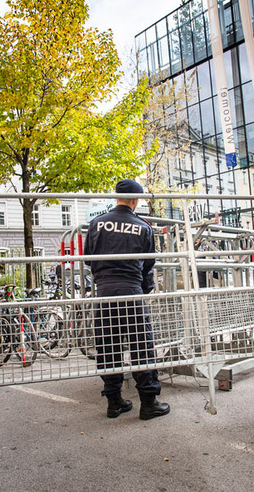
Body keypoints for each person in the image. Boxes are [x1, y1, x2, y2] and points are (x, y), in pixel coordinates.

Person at [84, 178, 170, 420]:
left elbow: (89, 259)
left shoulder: (96, 223)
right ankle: (149, 402)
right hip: (132, 291)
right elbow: (148, 266)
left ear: (117, 198)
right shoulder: (143, 227)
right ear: (136, 200)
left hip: (104, 292)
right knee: (141, 346)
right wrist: (144, 289)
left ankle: (114, 402)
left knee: (108, 346)